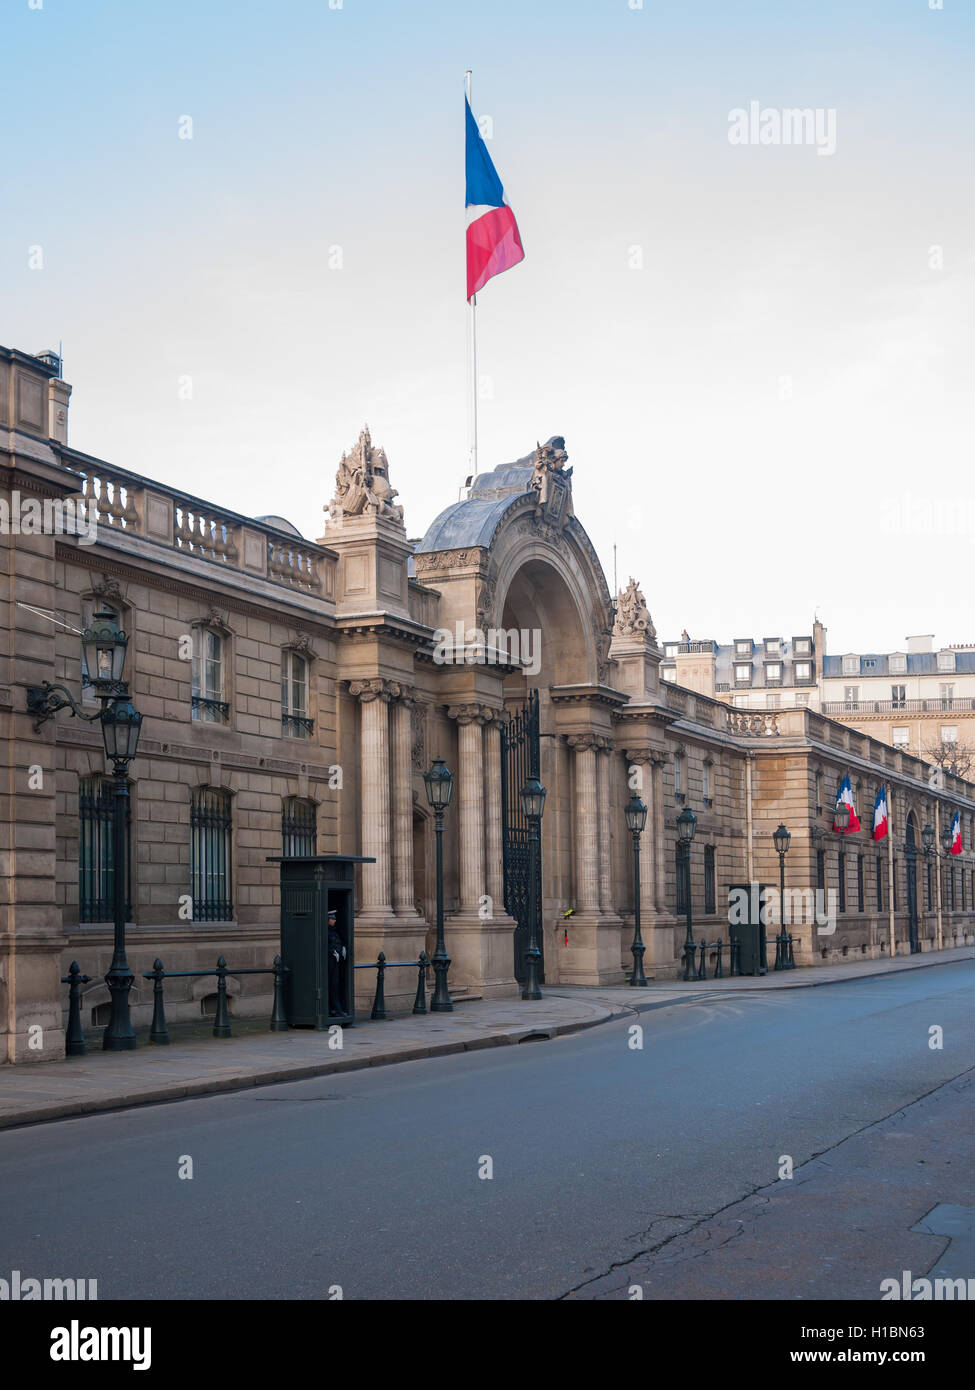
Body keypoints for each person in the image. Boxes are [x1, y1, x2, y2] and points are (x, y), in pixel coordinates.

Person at [327, 908, 347, 1016]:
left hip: (336, 962)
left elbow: (337, 942)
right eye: (332, 918)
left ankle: (336, 1008)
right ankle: (333, 1008)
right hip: (329, 962)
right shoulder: (326, 931)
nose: (334, 920)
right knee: (332, 984)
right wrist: (332, 951)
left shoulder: (334, 931)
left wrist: (342, 948)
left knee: (335, 985)